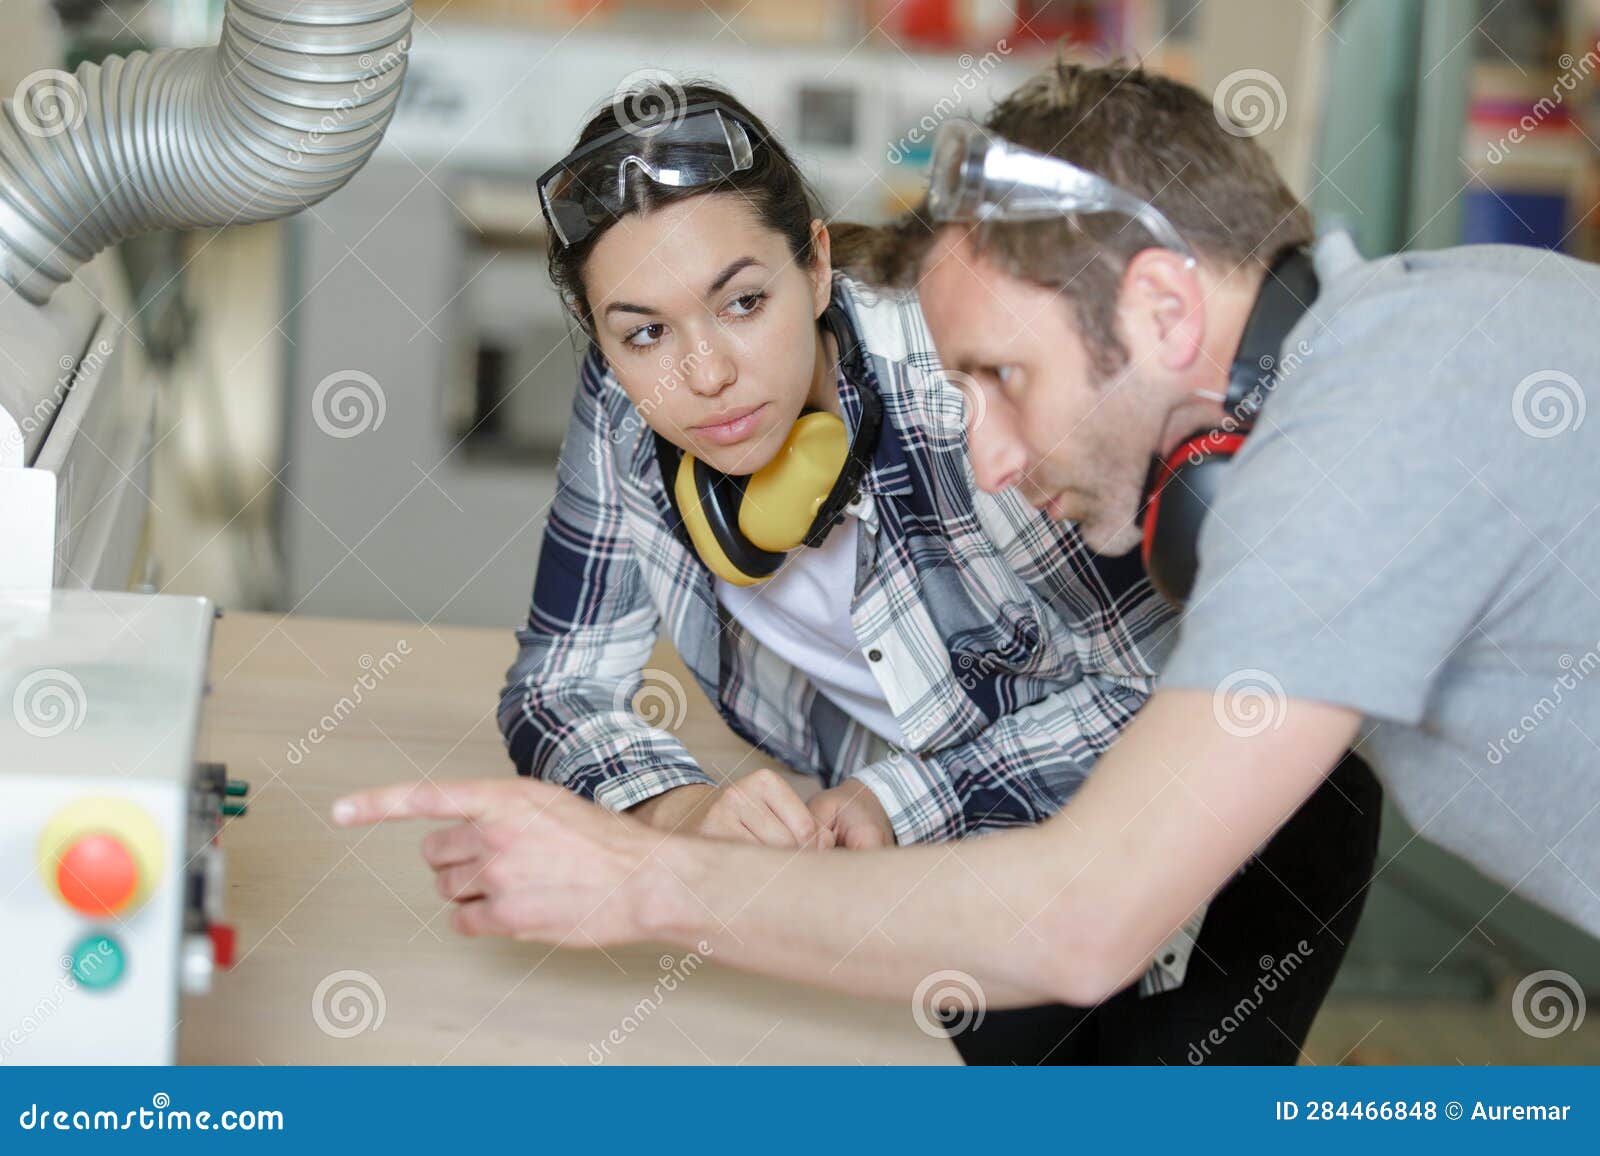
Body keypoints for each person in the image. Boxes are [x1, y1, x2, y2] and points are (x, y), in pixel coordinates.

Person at [333, 66, 1455, 1050]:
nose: (704, 373)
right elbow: (558, 682)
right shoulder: (631, 401)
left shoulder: (974, 385)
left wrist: (896, 800)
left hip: (1208, 844)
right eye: (643, 332)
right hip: (929, 863)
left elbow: (1171, 689)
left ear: (817, 267)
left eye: (744, 301)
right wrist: (677, 811)